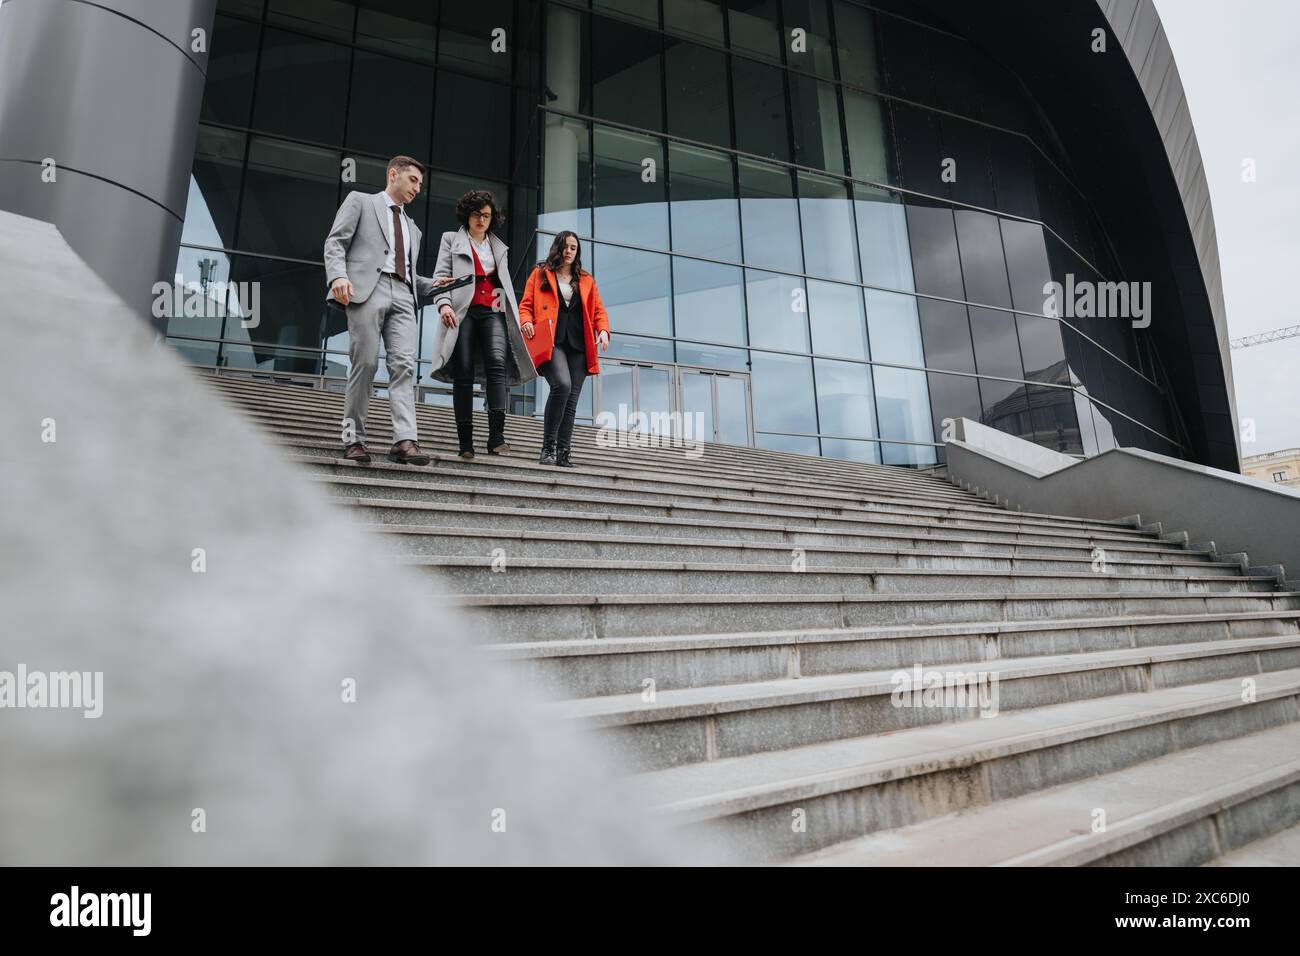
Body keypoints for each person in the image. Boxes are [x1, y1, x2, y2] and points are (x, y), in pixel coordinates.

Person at [323, 155, 450, 466]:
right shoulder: (361, 202)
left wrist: (435, 284)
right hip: (367, 289)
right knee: (364, 364)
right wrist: (338, 275)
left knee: (404, 367)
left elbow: (407, 271)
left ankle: (404, 441)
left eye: (421, 184)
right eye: (413, 181)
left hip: (405, 296)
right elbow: (335, 242)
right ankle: (353, 439)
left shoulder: (413, 229)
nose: (418, 188)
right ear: (394, 174)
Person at [429, 191, 536, 458]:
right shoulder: (451, 240)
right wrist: (443, 304)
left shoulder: (498, 247)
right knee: (463, 370)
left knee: (497, 365)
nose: (481, 219)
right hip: (463, 311)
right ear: (467, 214)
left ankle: (497, 437)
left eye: (486, 215)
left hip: (494, 311)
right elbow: (441, 275)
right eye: (477, 214)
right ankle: (465, 442)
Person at [518, 232, 611, 467]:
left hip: (580, 345)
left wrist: (603, 331)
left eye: (573, 248)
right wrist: (526, 321)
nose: (569, 251)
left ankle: (563, 453)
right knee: (562, 385)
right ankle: (548, 448)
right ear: (557, 248)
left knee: (571, 400)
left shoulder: (586, 279)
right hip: (552, 341)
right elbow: (526, 305)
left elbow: (599, 310)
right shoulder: (540, 273)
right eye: (565, 246)